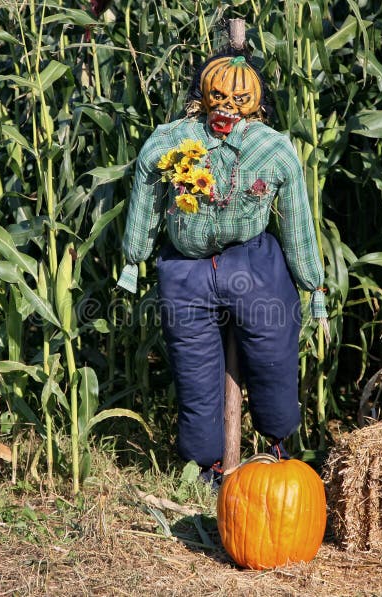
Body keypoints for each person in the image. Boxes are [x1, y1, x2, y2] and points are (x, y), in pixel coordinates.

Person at [116, 50, 327, 484]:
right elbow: (146, 201)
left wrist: (313, 285)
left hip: (253, 263)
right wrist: (134, 259)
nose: (228, 109)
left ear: (256, 104)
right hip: (186, 268)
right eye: (218, 98)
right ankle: (208, 464)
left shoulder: (273, 149)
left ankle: (278, 447)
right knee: (194, 370)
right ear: (202, 98)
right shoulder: (169, 143)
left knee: (273, 354)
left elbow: (298, 223)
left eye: (240, 100)